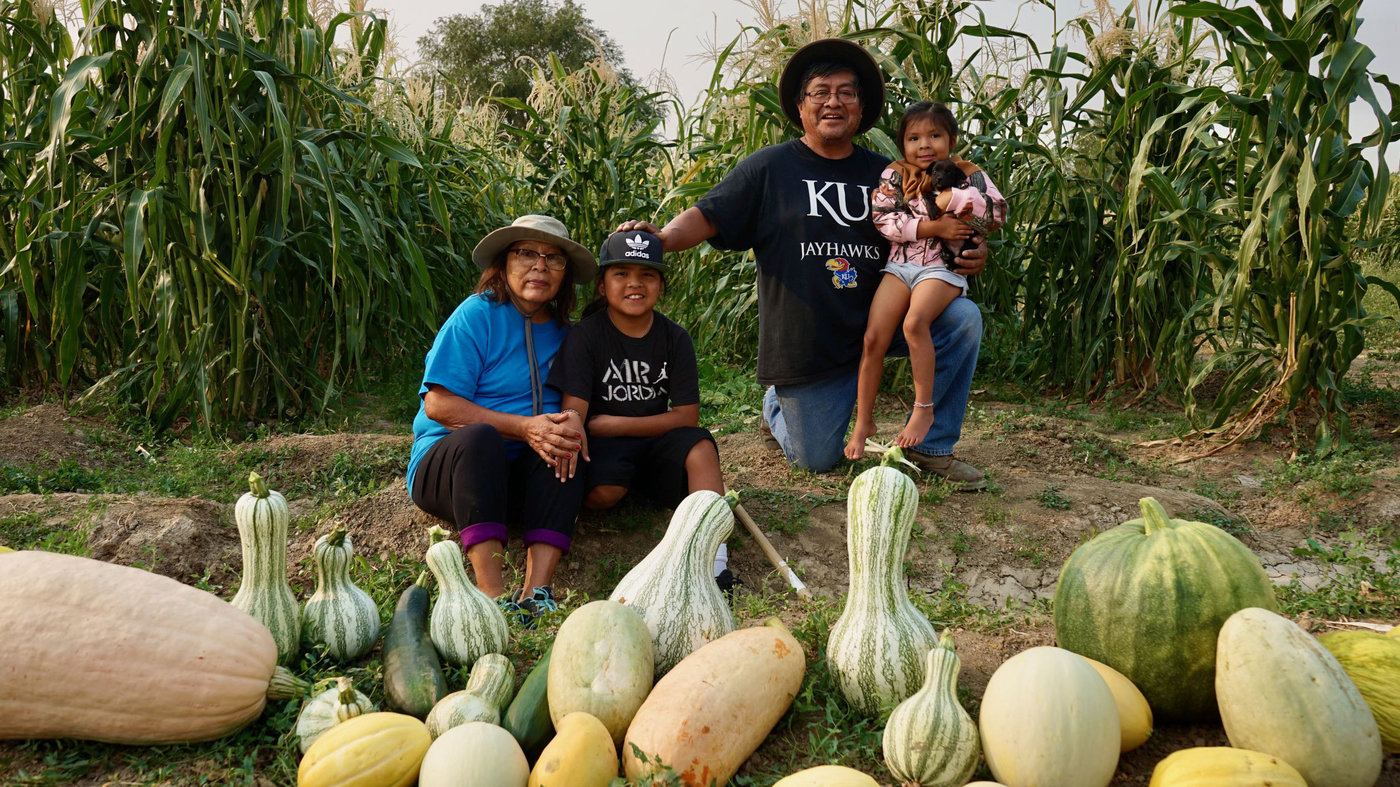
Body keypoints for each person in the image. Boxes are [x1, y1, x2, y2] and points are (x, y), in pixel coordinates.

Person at [617, 39, 990, 489]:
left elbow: (945, 219)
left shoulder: (890, 172)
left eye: (846, 93)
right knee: (816, 459)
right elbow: (710, 215)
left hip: (881, 318)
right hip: (811, 344)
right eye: (820, 92)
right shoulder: (770, 168)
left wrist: (972, 249)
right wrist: (663, 237)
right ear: (800, 106)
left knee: (962, 318)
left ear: (861, 108)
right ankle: (777, 405)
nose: (834, 101)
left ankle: (933, 449)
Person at [406, 214, 595, 622]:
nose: (540, 267)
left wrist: (565, 425)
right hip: (454, 468)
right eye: (526, 253)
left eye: (554, 259)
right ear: (504, 263)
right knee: (482, 438)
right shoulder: (476, 315)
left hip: (519, 477)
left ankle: (535, 592)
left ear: (565, 274)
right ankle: (491, 597)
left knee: (564, 437)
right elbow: (437, 406)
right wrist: (524, 427)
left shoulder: (568, 334)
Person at [545, 230, 738, 590]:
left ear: (660, 285)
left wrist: (614, 424)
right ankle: (624, 491)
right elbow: (575, 415)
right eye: (622, 274)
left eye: (647, 275)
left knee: (700, 445)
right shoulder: (586, 336)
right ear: (602, 286)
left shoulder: (674, 338)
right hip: (604, 450)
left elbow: (686, 417)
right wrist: (594, 429)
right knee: (605, 494)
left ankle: (716, 566)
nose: (635, 284)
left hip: (650, 440)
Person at [846, 102, 1007, 459]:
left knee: (915, 323)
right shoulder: (895, 174)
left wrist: (955, 198)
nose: (924, 145)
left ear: (952, 139)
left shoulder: (968, 173)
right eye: (914, 137)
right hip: (900, 265)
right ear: (902, 143)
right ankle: (864, 422)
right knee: (873, 338)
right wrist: (932, 226)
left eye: (935, 136)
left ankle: (923, 408)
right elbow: (883, 219)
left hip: (941, 268)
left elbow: (997, 212)